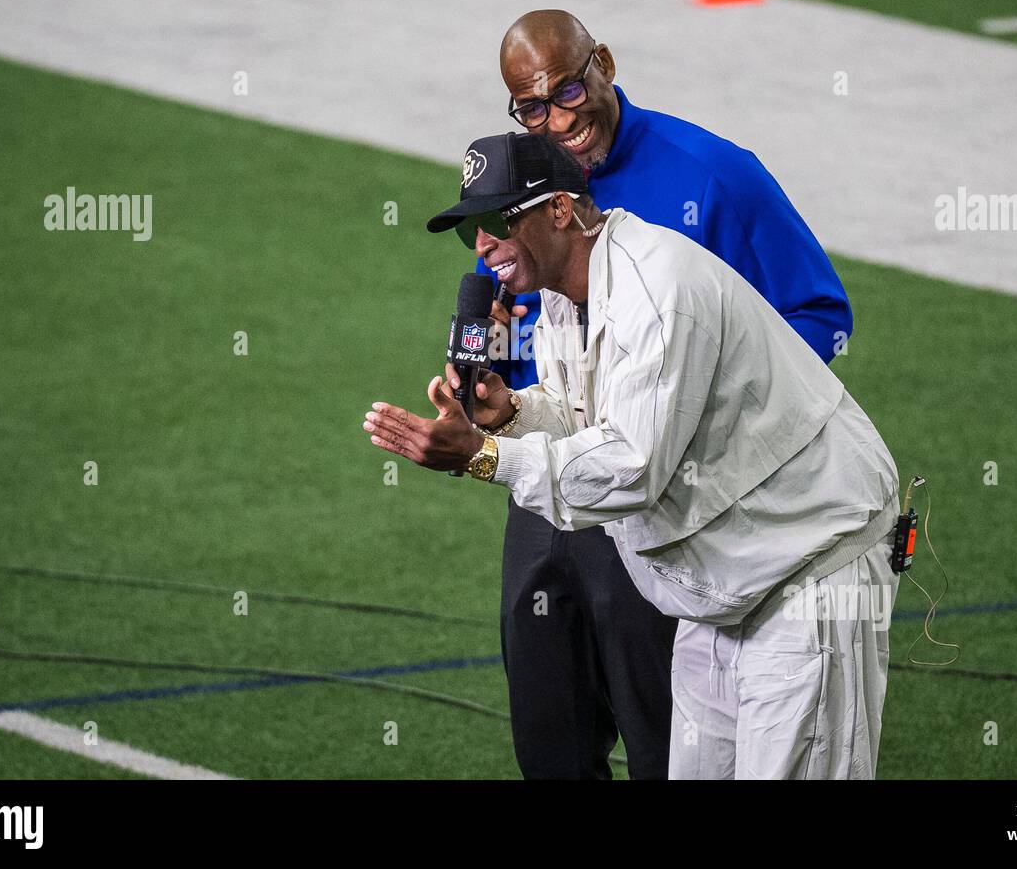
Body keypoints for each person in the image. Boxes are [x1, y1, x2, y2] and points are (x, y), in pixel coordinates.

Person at [363, 132, 900, 779]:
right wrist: (510, 415)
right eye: (468, 230)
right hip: (721, 583)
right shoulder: (568, 295)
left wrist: (484, 456)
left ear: (559, 210)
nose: (481, 245)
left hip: (808, 565)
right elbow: (585, 417)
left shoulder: (658, 290)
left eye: (494, 221)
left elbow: (633, 466)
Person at [476, 10, 853, 779]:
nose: (558, 119)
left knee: (666, 730)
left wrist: (706, 409)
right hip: (552, 473)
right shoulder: (525, 187)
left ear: (604, 64)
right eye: (531, 107)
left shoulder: (714, 173)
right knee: (547, 718)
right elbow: (521, 344)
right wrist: (495, 371)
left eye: (570, 90)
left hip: (662, 488)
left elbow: (820, 317)